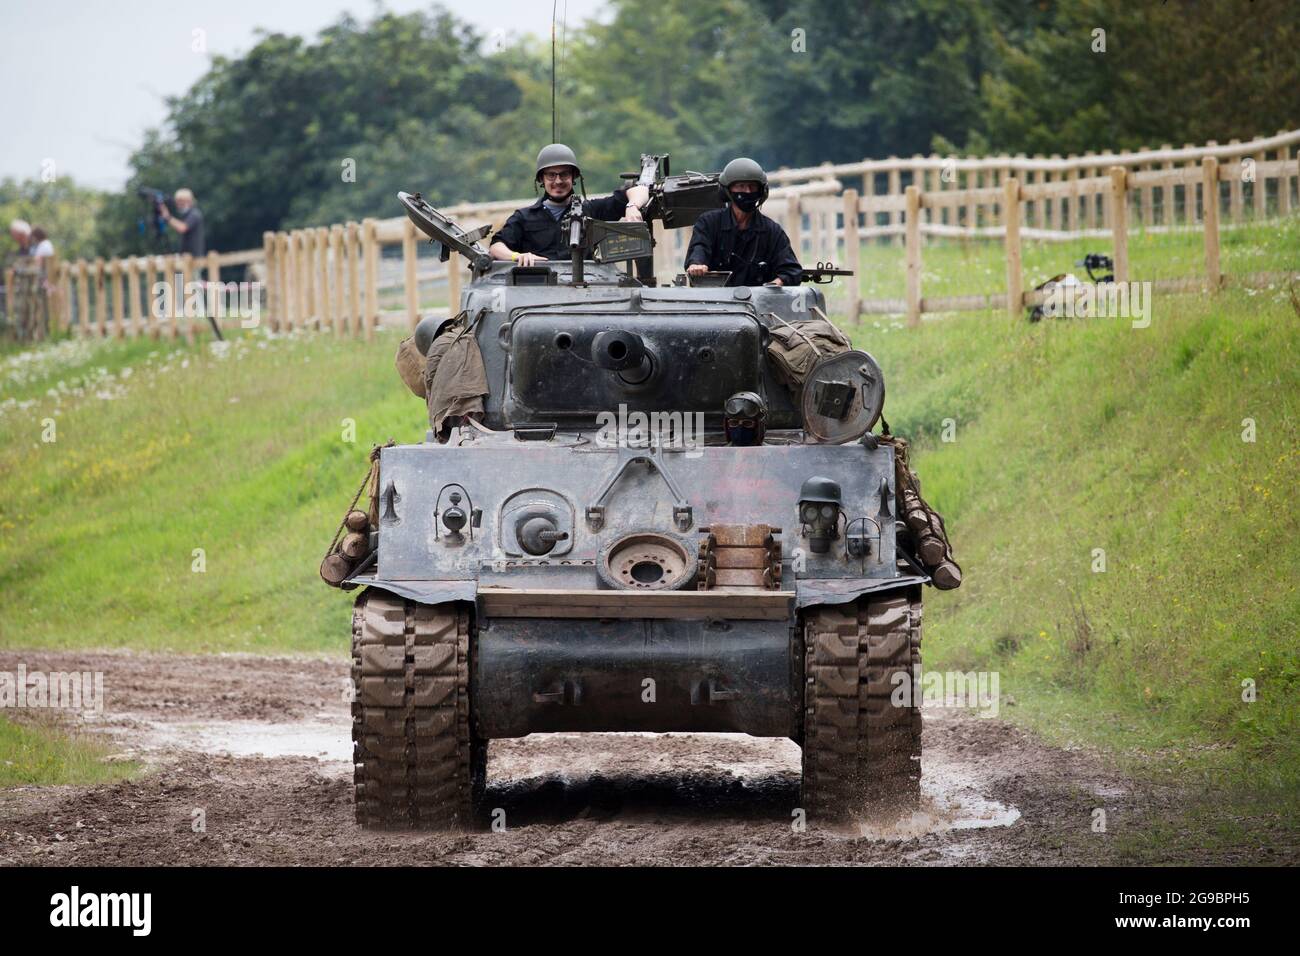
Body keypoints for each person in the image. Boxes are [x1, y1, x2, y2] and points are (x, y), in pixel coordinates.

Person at [489, 144, 650, 267]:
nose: (558, 181)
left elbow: (640, 189)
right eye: (551, 175)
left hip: (586, 291)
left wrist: (632, 206)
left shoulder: (592, 210)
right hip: (537, 292)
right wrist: (517, 256)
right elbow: (496, 246)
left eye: (564, 174)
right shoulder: (524, 217)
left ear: (573, 177)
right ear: (541, 179)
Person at [685, 157, 801, 287]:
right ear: (728, 190)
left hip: (758, 303)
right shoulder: (709, 223)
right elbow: (699, 248)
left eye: (752, 186)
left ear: (761, 190)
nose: (748, 191)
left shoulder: (772, 231)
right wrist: (697, 264)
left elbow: (791, 270)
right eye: (741, 186)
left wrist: (776, 284)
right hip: (715, 301)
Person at [159, 188, 206, 257]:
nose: (178, 205)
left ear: (189, 201)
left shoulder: (194, 214)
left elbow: (182, 228)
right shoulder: (187, 214)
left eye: (181, 202)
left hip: (194, 258)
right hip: (187, 257)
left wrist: (167, 217)